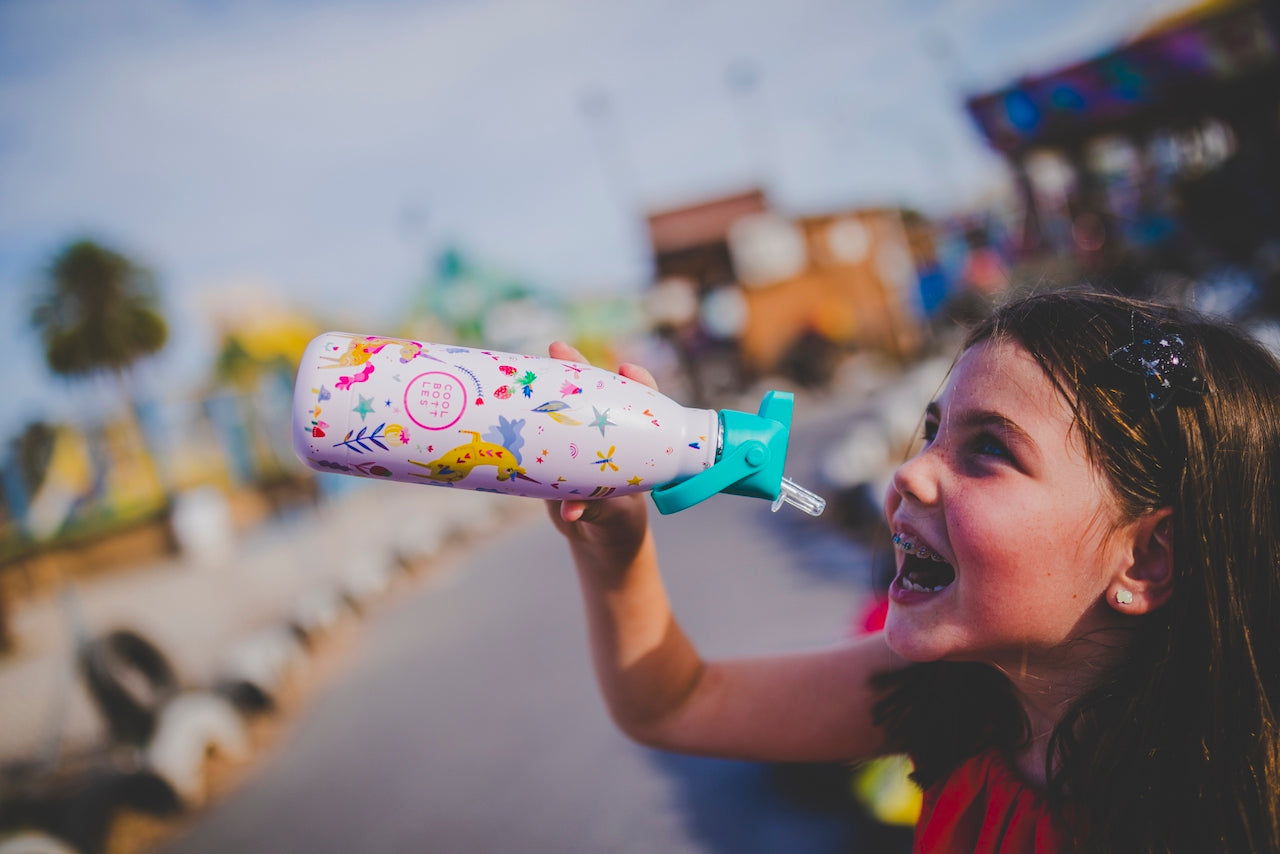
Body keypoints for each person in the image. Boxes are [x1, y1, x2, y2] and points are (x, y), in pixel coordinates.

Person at [547, 288, 1280, 853]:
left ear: (1147, 559)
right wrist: (614, 544)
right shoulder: (952, 697)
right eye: (931, 430)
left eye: (990, 449)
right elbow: (674, 704)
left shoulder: (1224, 817)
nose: (909, 473)